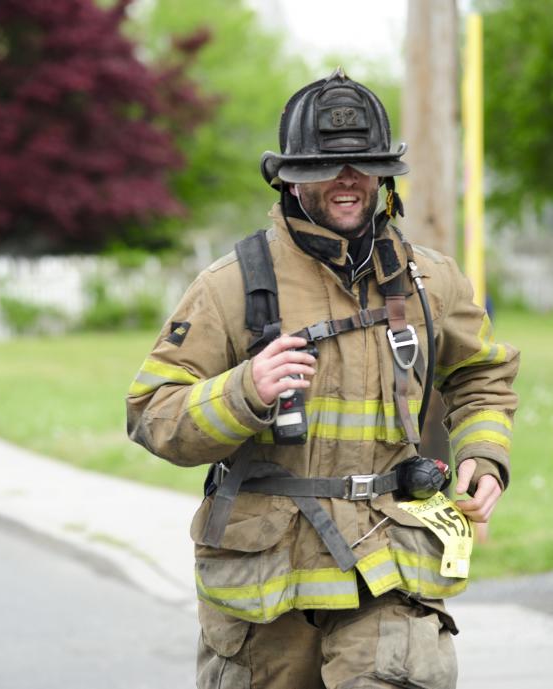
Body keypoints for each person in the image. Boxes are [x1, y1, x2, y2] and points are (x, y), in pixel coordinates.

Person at [126, 68, 518, 689]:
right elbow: (152, 413)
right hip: (266, 587)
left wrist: (485, 455)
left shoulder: (429, 282)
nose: (348, 180)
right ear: (288, 179)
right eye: (328, 168)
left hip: (390, 565)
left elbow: (482, 375)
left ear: (384, 176)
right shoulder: (230, 286)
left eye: (365, 165)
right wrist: (243, 391)